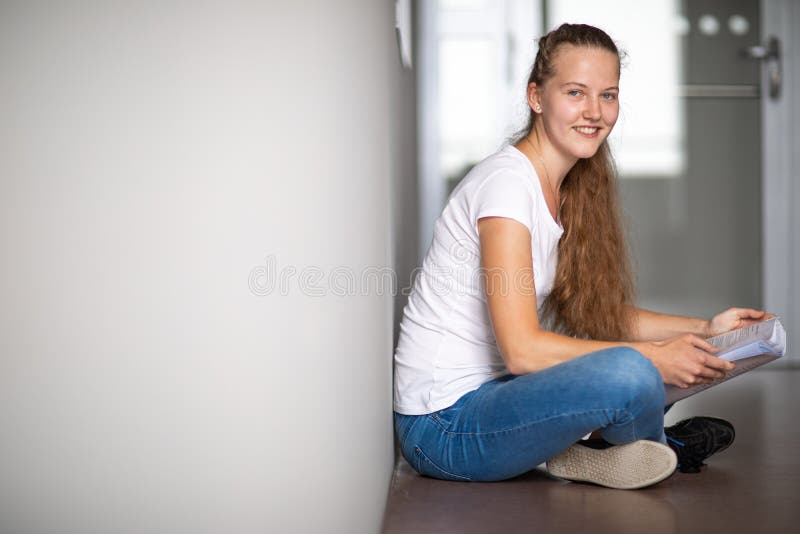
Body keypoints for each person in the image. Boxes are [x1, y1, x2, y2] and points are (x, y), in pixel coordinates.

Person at [393, 23, 767, 489]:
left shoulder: (567, 188)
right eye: (575, 92)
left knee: (675, 362)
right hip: (444, 427)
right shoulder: (506, 186)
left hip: (500, 399)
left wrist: (705, 330)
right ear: (536, 97)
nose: (595, 112)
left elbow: (595, 315)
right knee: (637, 370)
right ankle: (656, 447)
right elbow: (523, 350)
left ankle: (613, 450)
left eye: (608, 95)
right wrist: (654, 358)